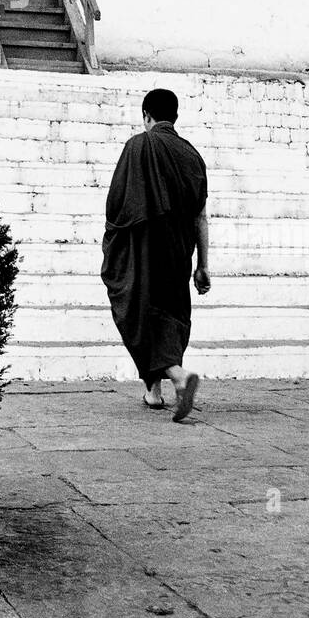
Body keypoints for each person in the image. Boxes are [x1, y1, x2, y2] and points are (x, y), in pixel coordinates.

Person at [101, 88, 211, 423]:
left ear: (147, 116)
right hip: (179, 251)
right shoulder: (193, 157)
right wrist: (203, 265)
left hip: (143, 248)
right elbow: (200, 216)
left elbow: (117, 203)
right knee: (166, 312)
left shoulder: (138, 145)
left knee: (138, 311)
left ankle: (178, 376)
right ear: (174, 116)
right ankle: (153, 391)